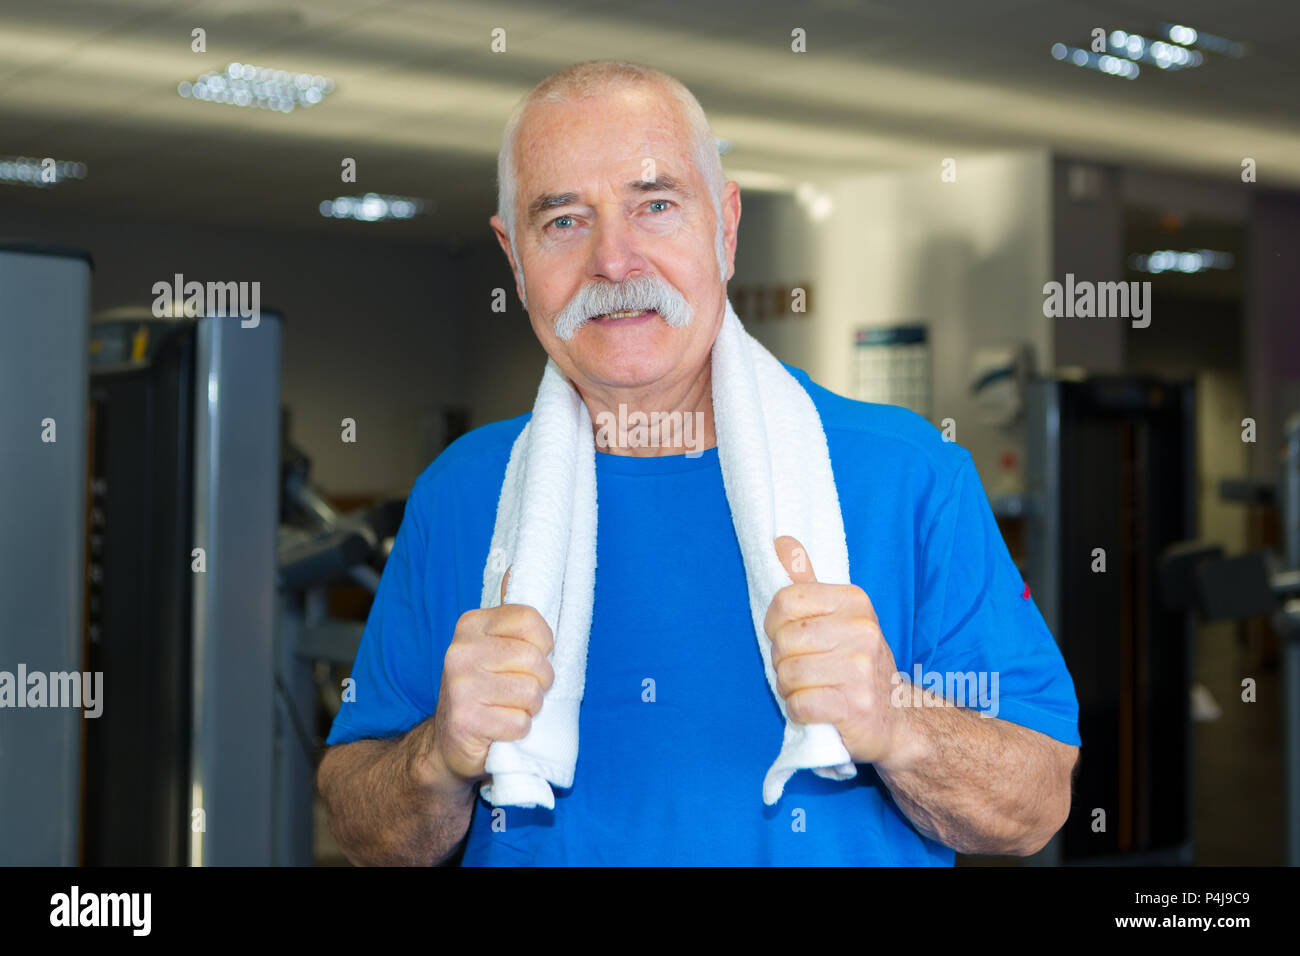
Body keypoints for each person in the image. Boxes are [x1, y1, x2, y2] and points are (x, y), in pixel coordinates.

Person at [316, 60, 1080, 866]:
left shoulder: (911, 475)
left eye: (655, 205)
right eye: (565, 221)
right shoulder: (461, 491)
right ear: (514, 255)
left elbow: (1036, 805)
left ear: (725, 224)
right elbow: (362, 823)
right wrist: (438, 754)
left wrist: (896, 721)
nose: (614, 261)